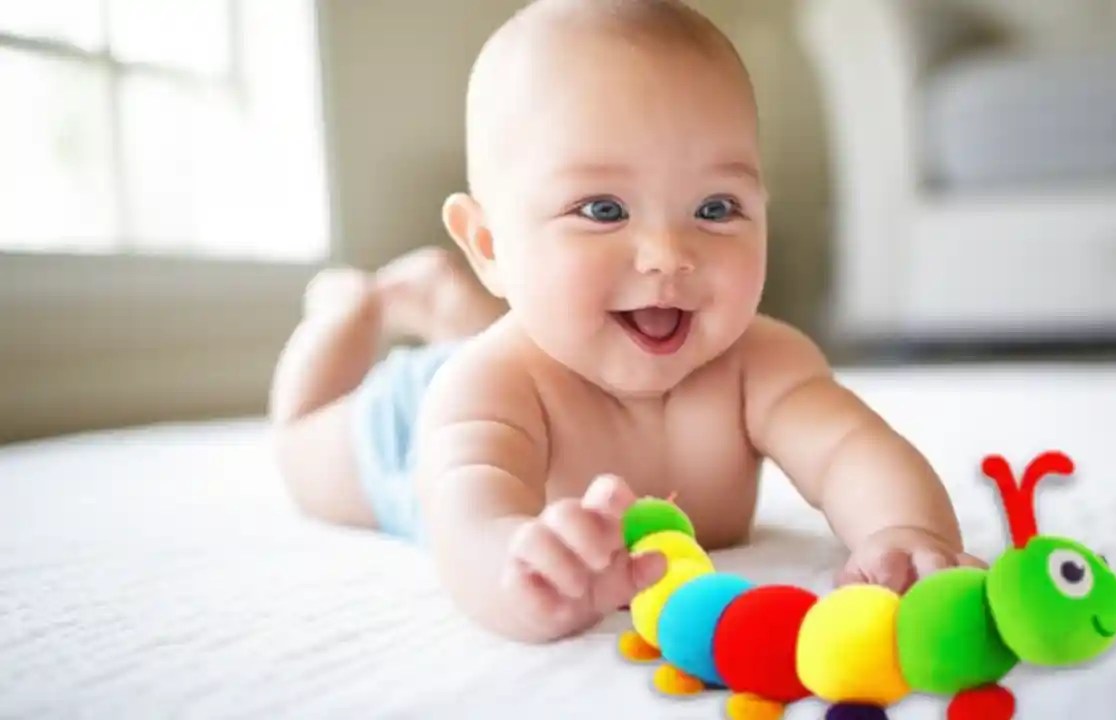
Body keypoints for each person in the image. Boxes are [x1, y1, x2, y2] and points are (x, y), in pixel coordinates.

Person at [268, 0, 982, 644]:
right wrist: (521, 571)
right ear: (489, 244)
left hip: (528, 330)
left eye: (715, 209)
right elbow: (467, 520)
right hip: (409, 423)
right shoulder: (486, 386)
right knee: (305, 449)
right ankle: (350, 307)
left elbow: (853, 452)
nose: (669, 257)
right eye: (603, 210)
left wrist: (906, 534)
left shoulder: (761, 364)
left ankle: (445, 304)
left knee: (543, 317)